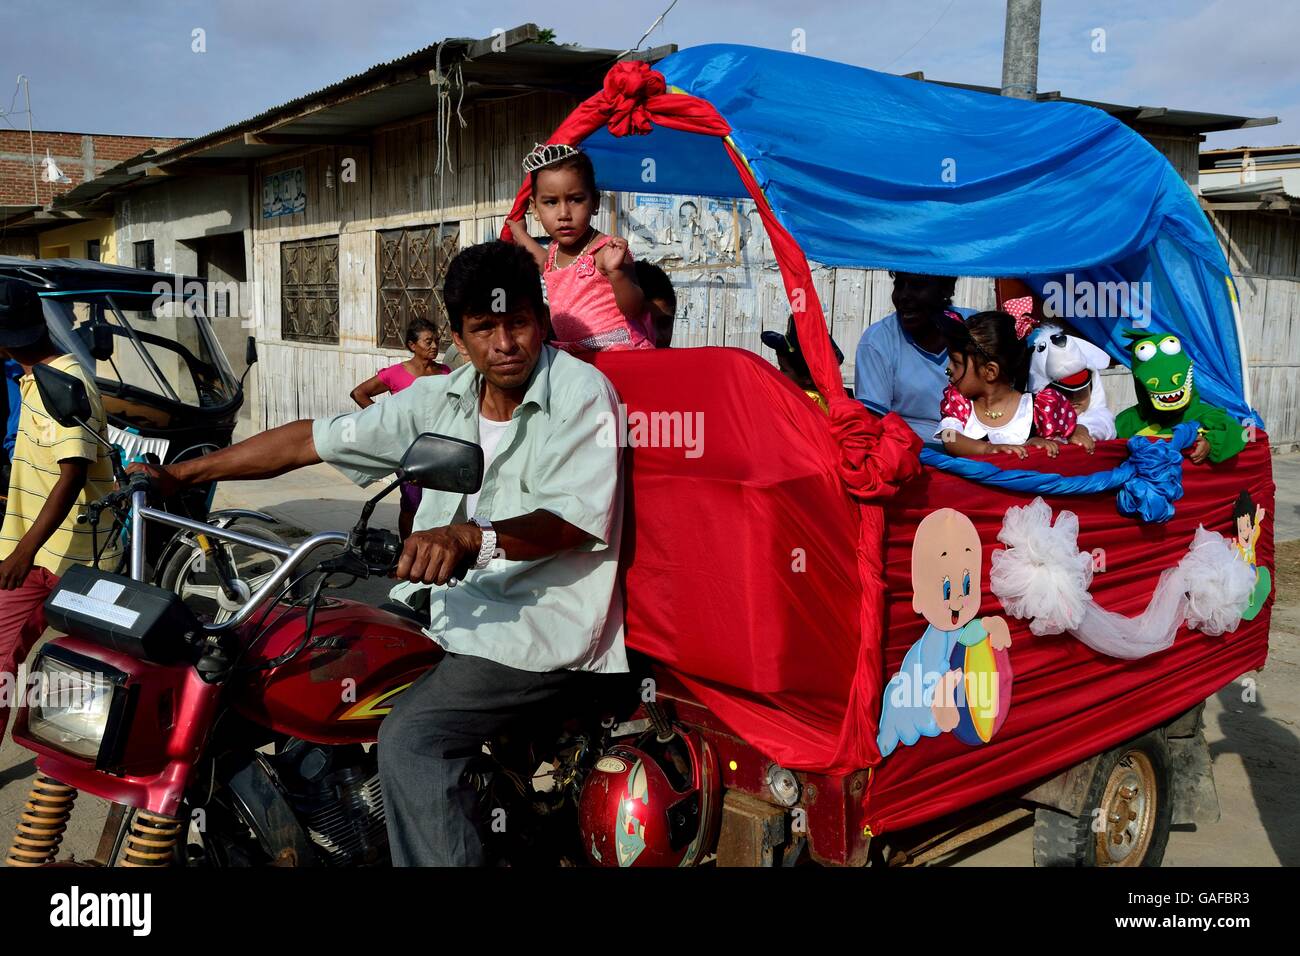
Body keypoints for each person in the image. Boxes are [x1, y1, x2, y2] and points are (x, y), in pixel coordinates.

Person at [130, 241, 628, 866]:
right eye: (484, 328)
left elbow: (570, 522)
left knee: (414, 739)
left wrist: (471, 537)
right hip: (437, 608)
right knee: (279, 668)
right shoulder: (440, 397)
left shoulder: (583, 395)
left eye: (518, 323)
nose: (505, 343)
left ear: (542, 320)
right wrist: (186, 475)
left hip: (530, 624)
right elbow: (310, 442)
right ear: (458, 337)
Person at [0, 278, 118, 743]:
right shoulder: (30, 378)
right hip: (31, 554)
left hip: (74, 560)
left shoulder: (65, 382)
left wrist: (24, 552)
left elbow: (72, 475)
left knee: (92, 673)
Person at [506, 144, 653, 352]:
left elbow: (634, 308)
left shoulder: (607, 251)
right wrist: (519, 233)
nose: (564, 213)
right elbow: (541, 262)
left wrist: (616, 273)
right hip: (577, 357)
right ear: (534, 208)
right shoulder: (553, 254)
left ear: (594, 202)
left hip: (616, 353)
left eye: (576, 199)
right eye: (550, 202)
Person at [936, 310, 1091, 459]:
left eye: (956, 362)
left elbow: (1071, 428)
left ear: (990, 371)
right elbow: (948, 438)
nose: (949, 368)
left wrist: (1078, 433)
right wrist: (986, 449)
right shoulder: (960, 405)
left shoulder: (1039, 408)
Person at [350, 317, 451, 540]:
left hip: (439, 449)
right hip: (408, 450)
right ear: (412, 346)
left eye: (436, 340)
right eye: (428, 342)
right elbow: (359, 393)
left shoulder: (445, 373)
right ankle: (407, 552)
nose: (434, 346)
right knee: (411, 503)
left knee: (439, 504)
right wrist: (386, 421)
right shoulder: (395, 373)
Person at [854, 272, 976, 442]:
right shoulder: (878, 341)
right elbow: (873, 420)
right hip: (911, 451)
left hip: (977, 448)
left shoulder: (975, 328)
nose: (903, 296)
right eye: (899, 284)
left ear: (947, 289)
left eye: (917, 286)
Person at [761, 315, 844, 413]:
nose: (779, 373)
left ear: (807, 379)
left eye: (783, 369)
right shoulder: (834, 400)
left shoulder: (802, 406)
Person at [634, 260, 676, 348]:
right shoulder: (600, 360)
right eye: (642, 326)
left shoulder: (682, 360)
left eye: (664, 324)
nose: (656, 336)